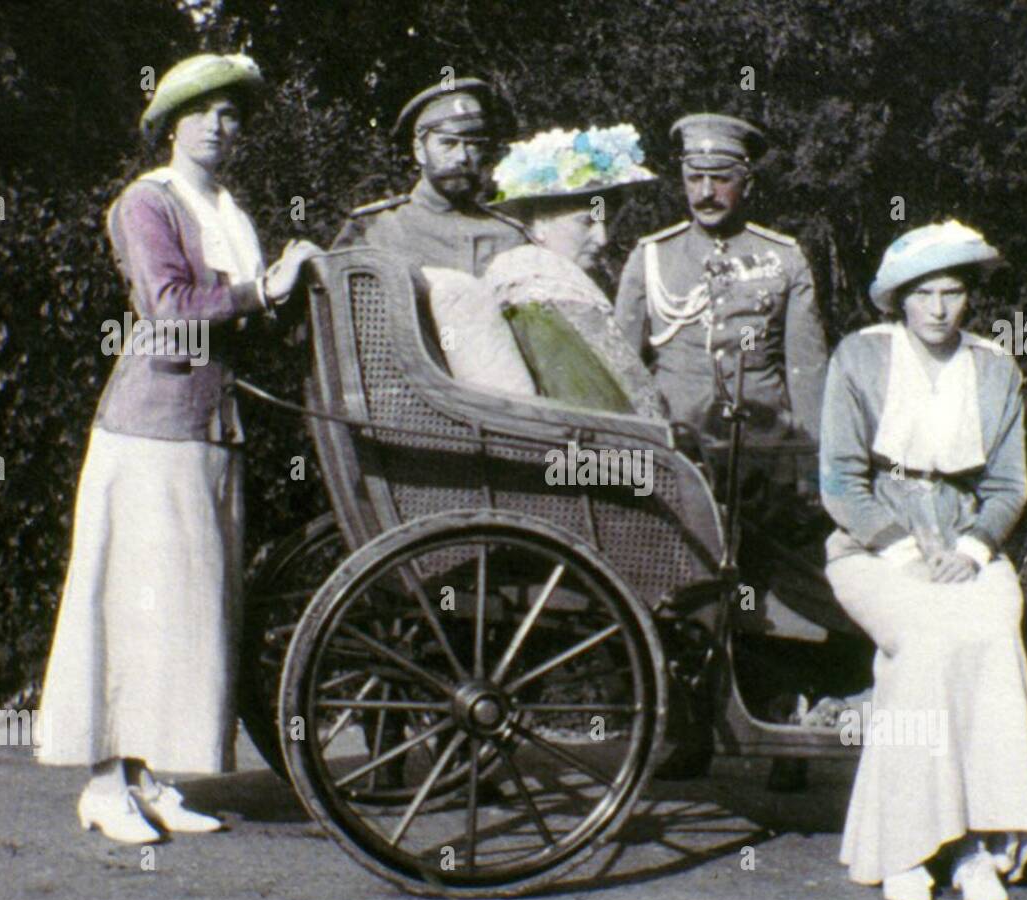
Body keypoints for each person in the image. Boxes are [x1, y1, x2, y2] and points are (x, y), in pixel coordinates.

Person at [35, 54, 321, 844]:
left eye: (232, 116)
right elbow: (167, 313)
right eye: (204, 113)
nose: (221, 128)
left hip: (211, 427)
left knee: (185, 608)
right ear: (171, 124)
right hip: (150, 428)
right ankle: (102, 784)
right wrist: (261, 290)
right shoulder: (146, 203)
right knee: (130, 605)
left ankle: (148, 777)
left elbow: (242, 320)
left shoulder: (225, 207)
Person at [818, 221, 1027, 900]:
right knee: (924, 645)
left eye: (953, 292)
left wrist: (976, 548)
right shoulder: (860, 358)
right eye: (925, 294)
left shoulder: (994, 368)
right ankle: (907, 848)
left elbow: (1009, 485)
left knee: (989, 640)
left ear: (969, 297)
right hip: (871, 549)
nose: (941, 309)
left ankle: (978, 844)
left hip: (965, 547)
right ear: (899, 299)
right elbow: (839, 480)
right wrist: (902, 549)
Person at [613, 113, 830, 779]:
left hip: (762, 456)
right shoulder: (651, 257)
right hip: (677, 459)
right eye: (693, 177)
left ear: (747, 182)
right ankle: (686, 730)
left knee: (776, 596)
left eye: (721, 178)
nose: (705, 192)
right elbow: (619, 367)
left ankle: (782, 731)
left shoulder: (783, 257)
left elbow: (806, 370)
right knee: (680, 593)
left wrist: (811, 465)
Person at [478, 124, 666, 419]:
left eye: (606, 222)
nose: (602, 238)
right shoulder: (533, 292)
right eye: (586, 223)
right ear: (538, 223)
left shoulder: (571, 282)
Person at [332, 77, 530, 273]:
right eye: (448, 144)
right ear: (419, 150)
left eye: (473, 145)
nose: (462, 157)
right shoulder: (376, 227)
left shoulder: (509, 235)